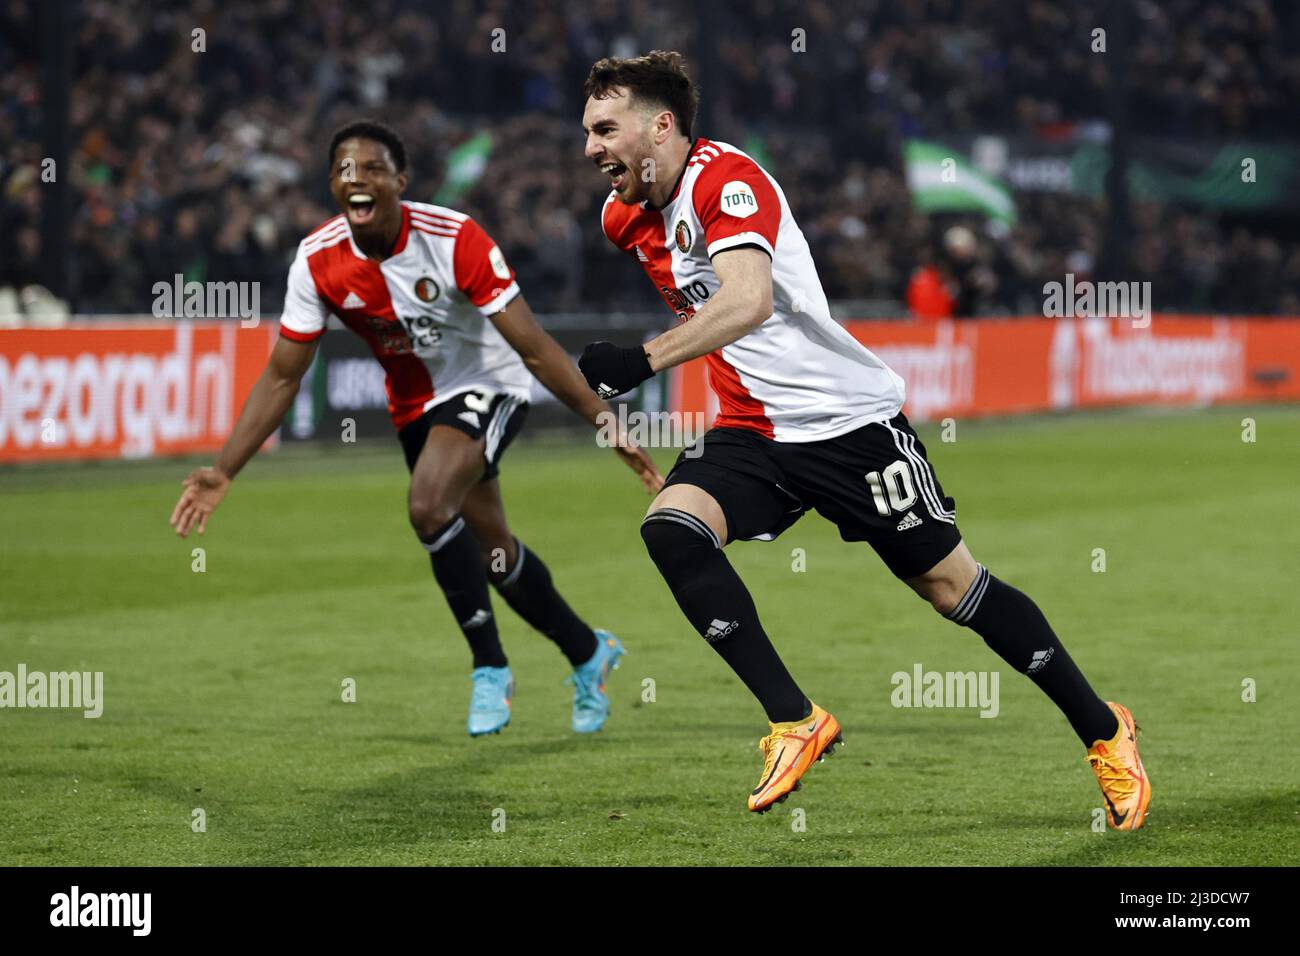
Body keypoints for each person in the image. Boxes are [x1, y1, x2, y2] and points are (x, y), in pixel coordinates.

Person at [576, 53, 1149, 825]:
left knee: (953, 590)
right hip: (752, 429)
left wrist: (641, 360)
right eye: (587, 131)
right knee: (673, 530)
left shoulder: (728, 182)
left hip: (848, 427)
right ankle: (795, 718)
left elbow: (745, 302)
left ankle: (1106, 731)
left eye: (606, 128)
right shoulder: (625, 218)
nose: (591, 148)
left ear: (662, 125)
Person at [171, 120, 662, 737]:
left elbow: (535, 348)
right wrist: (224, 469)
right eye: (344, 171)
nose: (357, 179)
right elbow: (281, 377)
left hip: (493, 382)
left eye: (373, 168)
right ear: (331, 185)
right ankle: (588, 653)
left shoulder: (453, 239)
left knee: (429, 507)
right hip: (414, 408)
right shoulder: (318, 261)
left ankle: (490, 667)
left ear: (399, 182)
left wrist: (604, 422)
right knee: (493, 552)